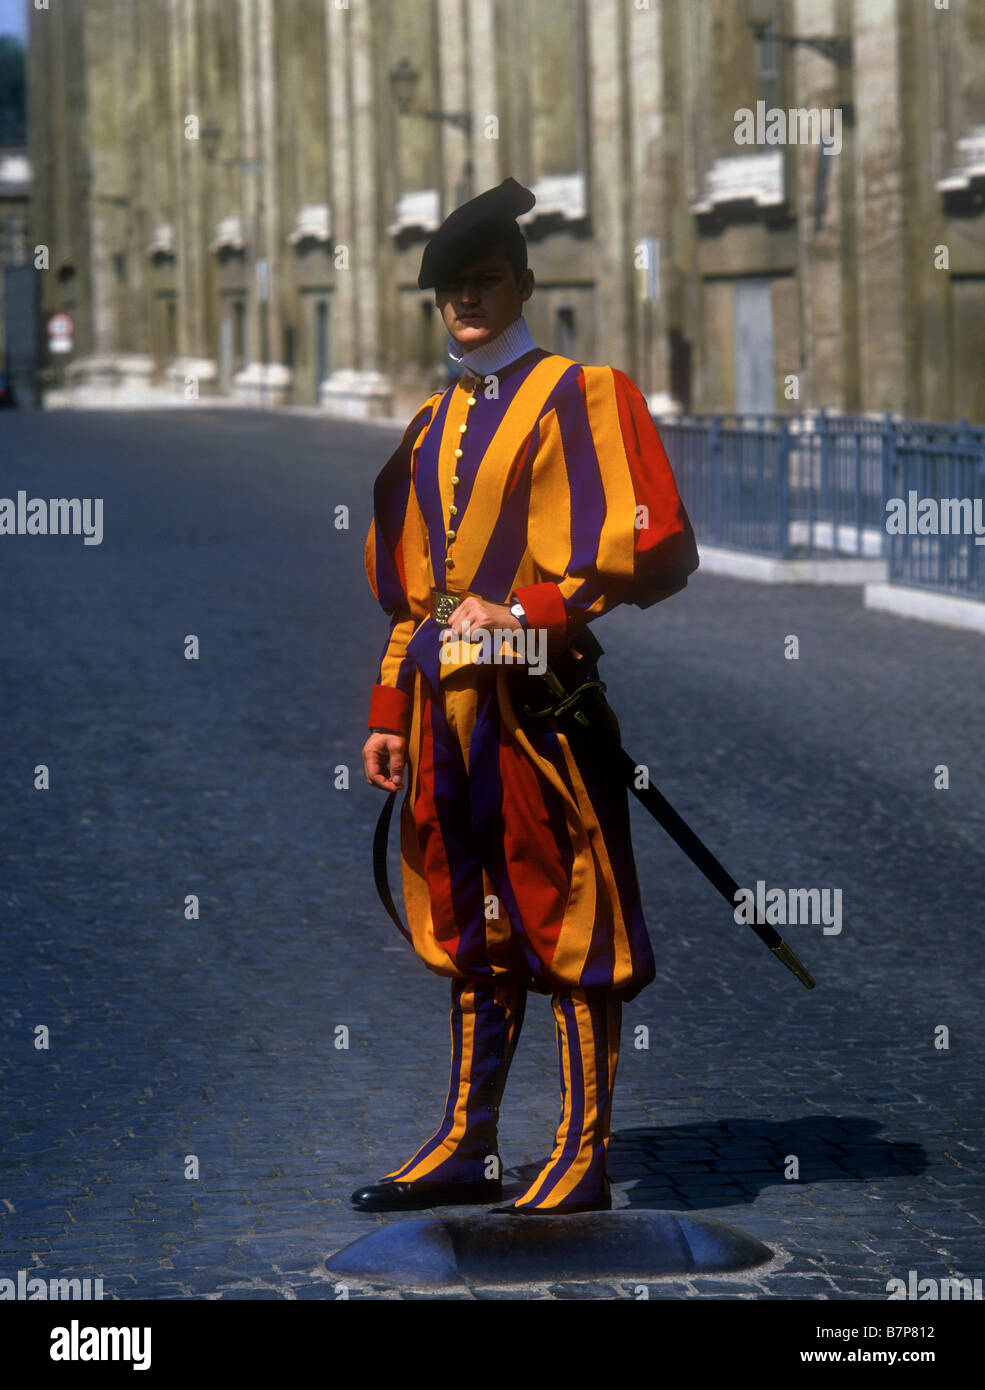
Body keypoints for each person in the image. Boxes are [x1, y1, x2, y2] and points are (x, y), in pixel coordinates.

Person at [355, 178, 699, 1215]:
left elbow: (645, 552)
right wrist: (385, 711)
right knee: (474, 922)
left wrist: (526, 611)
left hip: (538, 714)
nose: (466, 299)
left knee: (569, 915)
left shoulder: (582, 392)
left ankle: (582, 1152)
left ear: (522, 282)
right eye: (449, 286)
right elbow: (415, 596)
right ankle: (469, 1141)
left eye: (485, 278)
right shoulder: (427, 423)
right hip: (442, 717)